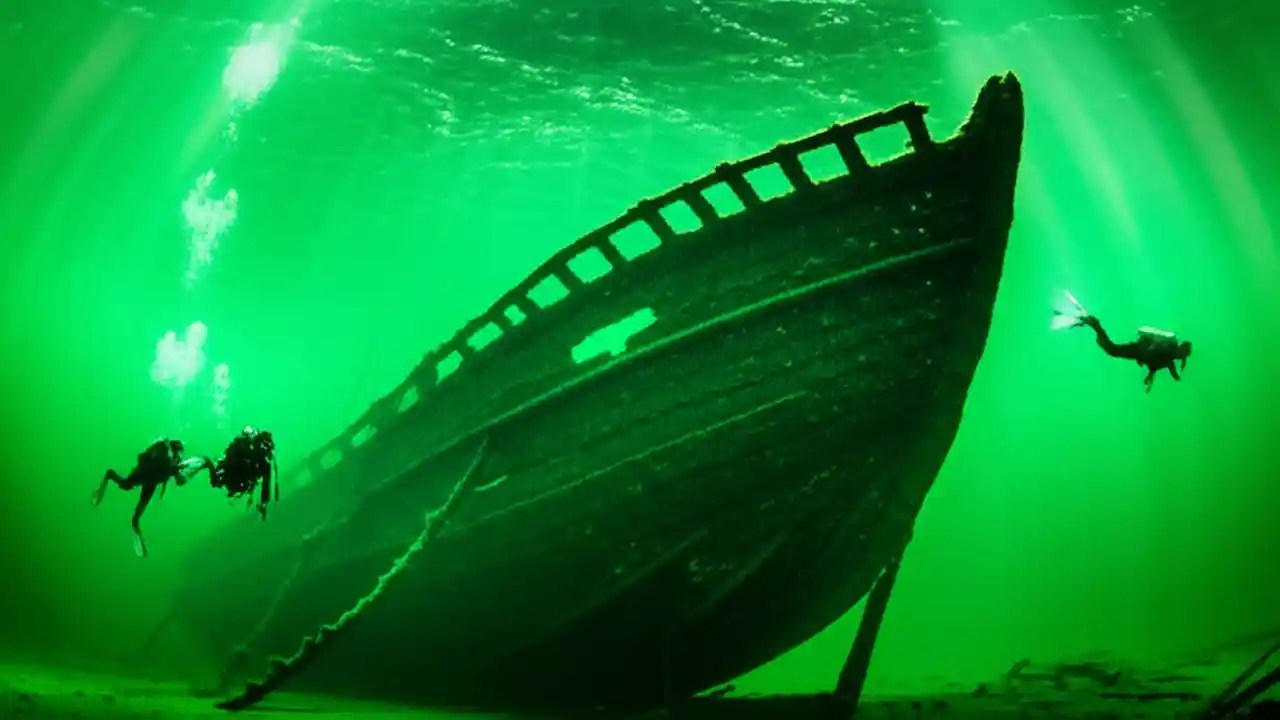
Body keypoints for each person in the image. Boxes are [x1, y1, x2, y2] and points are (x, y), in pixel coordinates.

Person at [1055, 293, 1193, 393]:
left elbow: (1165, 369)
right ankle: (1093, 322)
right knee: (1112, 350)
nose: (1180, 356)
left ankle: (1092, 323)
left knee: (1112, 350)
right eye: (1182, 353)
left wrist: (1150, 376)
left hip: (1139, 352)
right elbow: (1158, 356)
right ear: (1180, 348)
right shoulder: (1170, 349)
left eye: (1183, 355)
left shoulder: (1170, 360)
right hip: (1138, 349)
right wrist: (1149, 362)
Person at [93, 438, 197, 557]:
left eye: (179, 456)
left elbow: (177, 475)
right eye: (178, 454)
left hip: (150, 483)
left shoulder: (172, 464)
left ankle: (135, 525)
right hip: (144, 475)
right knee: (126, 486)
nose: (179, 458)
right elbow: (159, 457)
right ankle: (109, 475)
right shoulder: (164, 453)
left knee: (136, 513)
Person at [200, 426, 279, 520]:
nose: (264, 449)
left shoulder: (264, 463)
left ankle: (209, 464)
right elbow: (265, 485)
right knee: (218, 482)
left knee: (219, 483)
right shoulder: (249, 451)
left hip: (236, 481)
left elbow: (266, 486)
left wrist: (263, 504)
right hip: (233, 477)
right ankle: (208, 463)